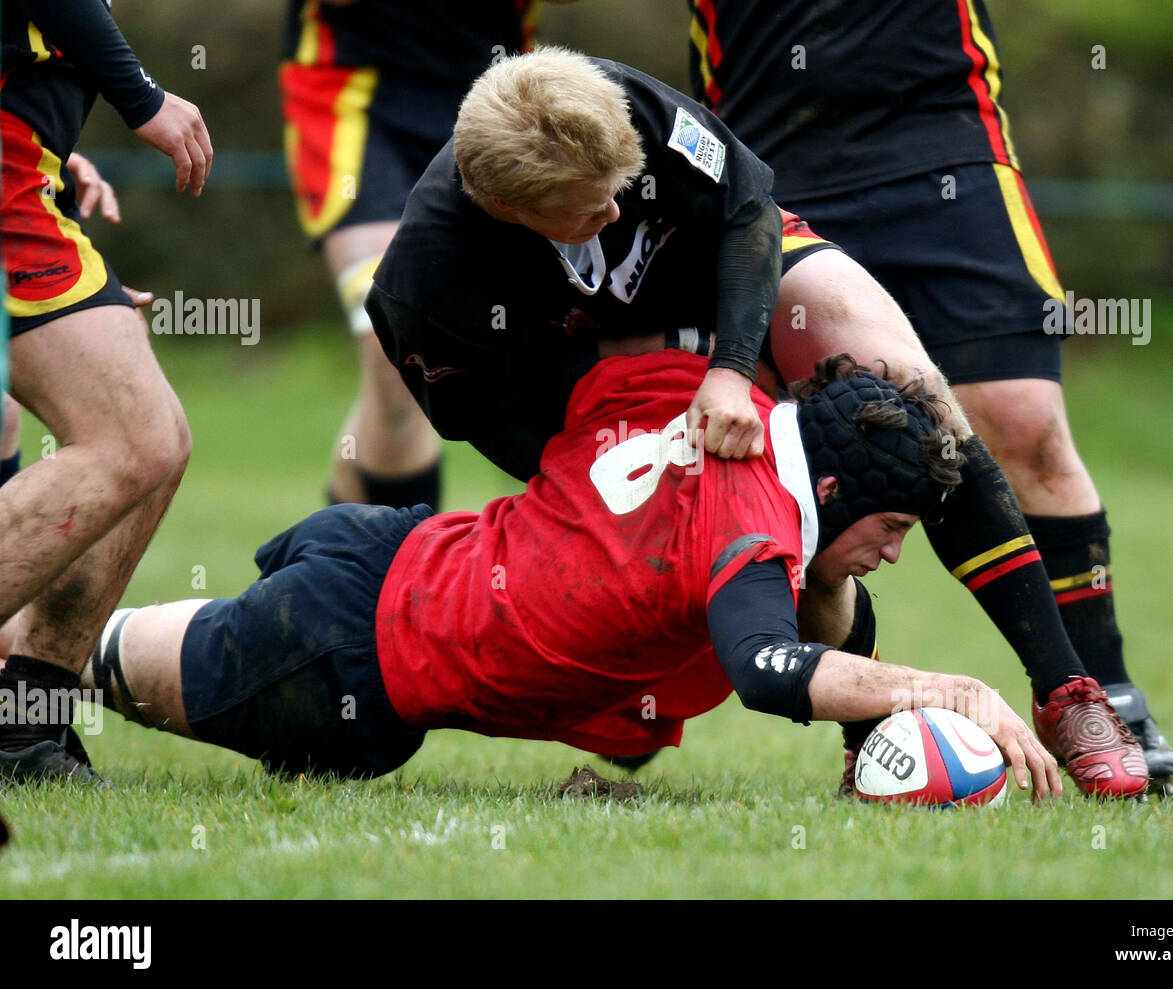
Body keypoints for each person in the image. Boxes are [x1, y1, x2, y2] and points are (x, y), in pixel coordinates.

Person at [366, 48, 1146, 797]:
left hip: (721, 275)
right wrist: (634, 484)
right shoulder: (426, 288)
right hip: (599, 372)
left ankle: (1065, 687)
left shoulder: (616, 106)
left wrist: (733, 368)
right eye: (589, 205)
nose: (615, 206)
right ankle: (873, 731)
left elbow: (748, 209)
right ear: (509, 209)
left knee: (909, 379)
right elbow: (486, 417)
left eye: (621, 187)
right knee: (723, 558)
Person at [78, 351, 1061, 803]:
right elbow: (766, 665)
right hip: (348, 657)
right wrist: (949, 687)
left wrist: (868, 732)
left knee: (88, 637)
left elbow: (816, 603)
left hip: (397, 548)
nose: (894, 549)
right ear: (836, 485)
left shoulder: (698, 387)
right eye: (890, 526)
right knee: (81, 661)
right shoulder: (752, 523)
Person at [684, 0, 1173, 796]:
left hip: (940, 133)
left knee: (1022, 416)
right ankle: (879, 725)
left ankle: (1089, 691)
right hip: (763, 151)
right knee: (802, 462)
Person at [0, 0, 212, 783]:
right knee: (137, 437)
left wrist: (63, 147)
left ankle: (26, 720)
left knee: (153, 442)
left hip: (30, 169)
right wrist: (144, 98)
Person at [281, 0, 563, 508]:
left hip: (500, 101)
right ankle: (395, 572)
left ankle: (335, 560)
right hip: (353, 98)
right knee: (395, 348)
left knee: (425, 369)